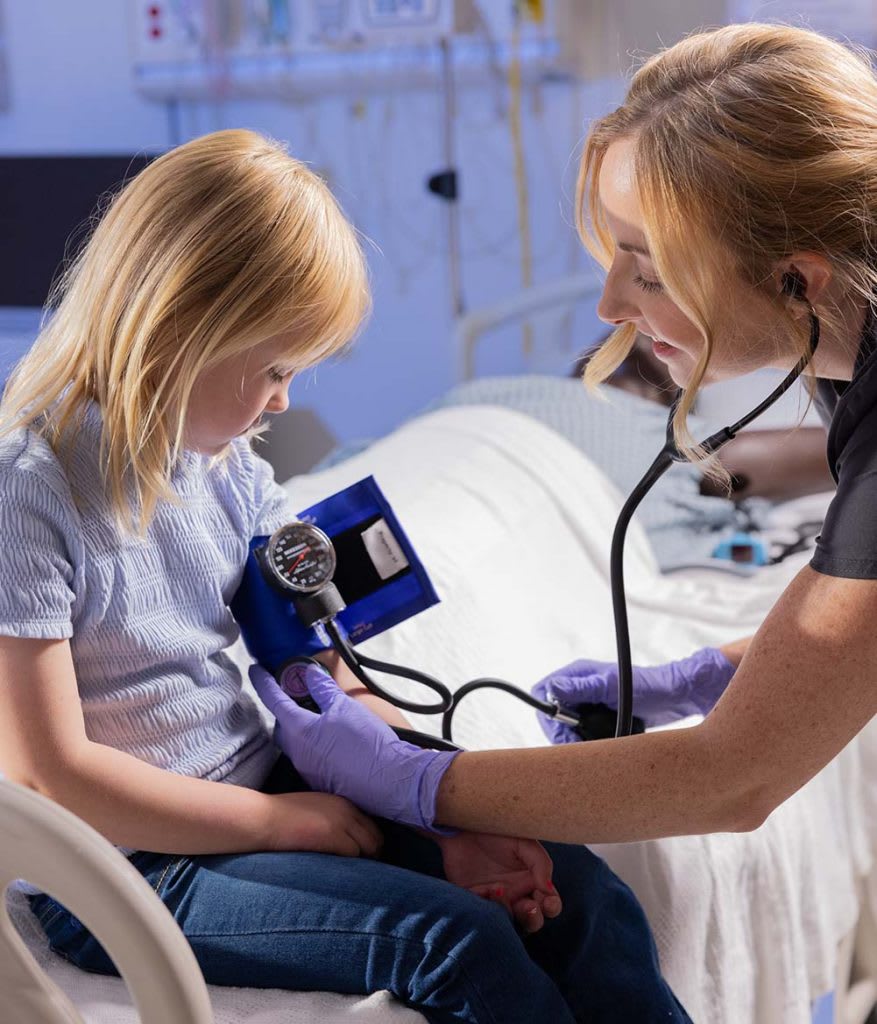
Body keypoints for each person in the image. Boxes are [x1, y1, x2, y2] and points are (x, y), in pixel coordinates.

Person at [0, 129, 689, 1023]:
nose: (286, 400)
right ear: (182, 323)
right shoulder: (31, 495)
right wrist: (277, 825)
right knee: (455, 943)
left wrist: (448, 822)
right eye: (276, 367)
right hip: (126, 863)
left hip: (266, 789)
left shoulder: (229, 473)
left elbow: (322, 672)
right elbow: (57, 777)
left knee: (582, 897)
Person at [250, 23, 877, 857]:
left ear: (797, 278)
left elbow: (733, 778)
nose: (609, 306)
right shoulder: (844, 356)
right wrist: (712, 673)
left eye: (648, 271)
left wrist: (416, 777)